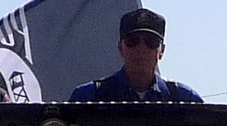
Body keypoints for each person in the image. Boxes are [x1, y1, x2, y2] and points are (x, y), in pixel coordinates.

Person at [69, 8, 204, 103]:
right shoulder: (88, 98)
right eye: (132, 41)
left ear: (162, 51)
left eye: (151, 42)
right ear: (120, 48)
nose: (141, 48)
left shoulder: (185, 100)